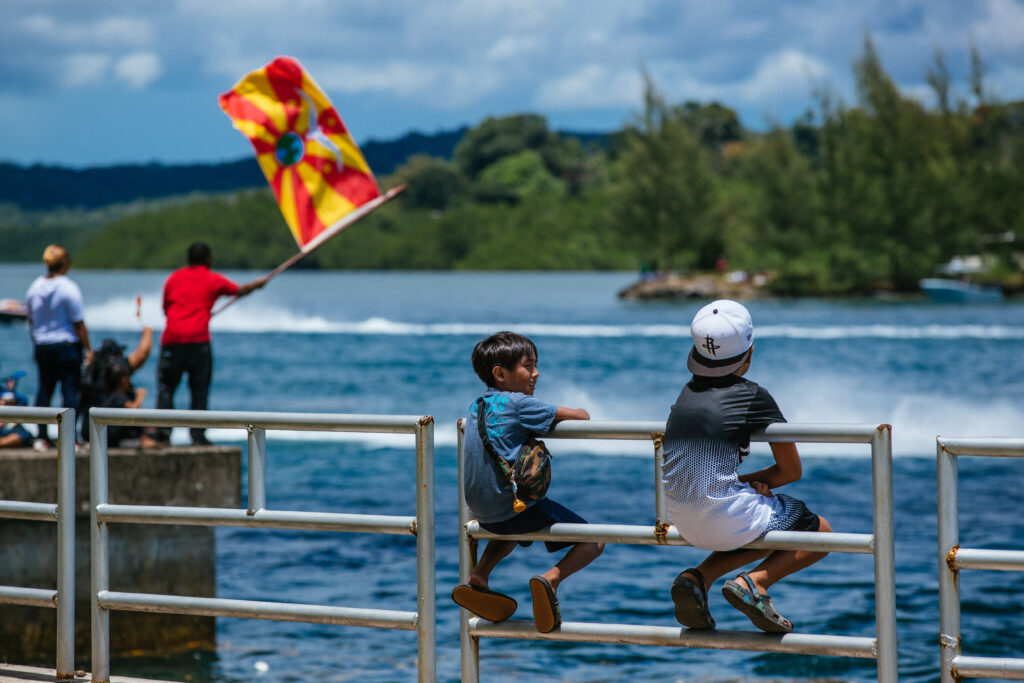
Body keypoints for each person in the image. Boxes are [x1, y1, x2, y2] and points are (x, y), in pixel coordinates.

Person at [664, 300, 832, 634]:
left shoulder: (685, 394)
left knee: (757, 517)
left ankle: (698, 577)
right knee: (821, 532)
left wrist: (738, 483)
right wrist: (748, 482)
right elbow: (790, 471)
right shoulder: (754, 396)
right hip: (722, 517)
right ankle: (755, 581)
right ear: (749, 353)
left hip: (679, 518)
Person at [452, 331, 603, 633]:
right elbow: (580, 417)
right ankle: (551, 580)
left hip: (483, 512)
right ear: (500, 374)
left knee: (511, 532)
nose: (536, 373)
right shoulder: (519, 404)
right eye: (528, 365)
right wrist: (581, 410)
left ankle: (480, 575)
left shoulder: (476, 406)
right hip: (514, 508)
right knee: (594, 540)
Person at [156, 242, 267, 445]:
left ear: (188, 259)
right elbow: (239, 291)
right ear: (208, 259)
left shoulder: (174, 278)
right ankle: (197, 436)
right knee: (199, 390)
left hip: (172, 340)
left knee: (166, 389)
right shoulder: (212, 279)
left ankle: (163, 434)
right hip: (198, 342)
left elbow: (165, 308)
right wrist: (257, 285)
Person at [24, 244, 92, 450]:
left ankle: (41, 436)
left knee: (44, 390)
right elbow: (78, 323)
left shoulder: (35, 287)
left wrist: (36, 342)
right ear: (65, 263)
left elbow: (31, 319)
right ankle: (70, 438)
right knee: (69, 391)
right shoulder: (68, 287)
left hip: (43, 345)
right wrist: (88, 348)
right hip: (66, 346)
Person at [79, 326, 154, 441]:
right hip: (111, 434)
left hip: (88, 431)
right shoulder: (116, 368)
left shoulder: (89, 370)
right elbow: (142, 354)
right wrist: (148, 332)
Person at [102, 359, 161, 448]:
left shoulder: (110, 395)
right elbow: (134, 409)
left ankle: (145, 439)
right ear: (123, 380)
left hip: (112, 438)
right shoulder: (118, 396)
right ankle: (145, 441)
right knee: (151, 441)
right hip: (114, 441)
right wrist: (140, 396)